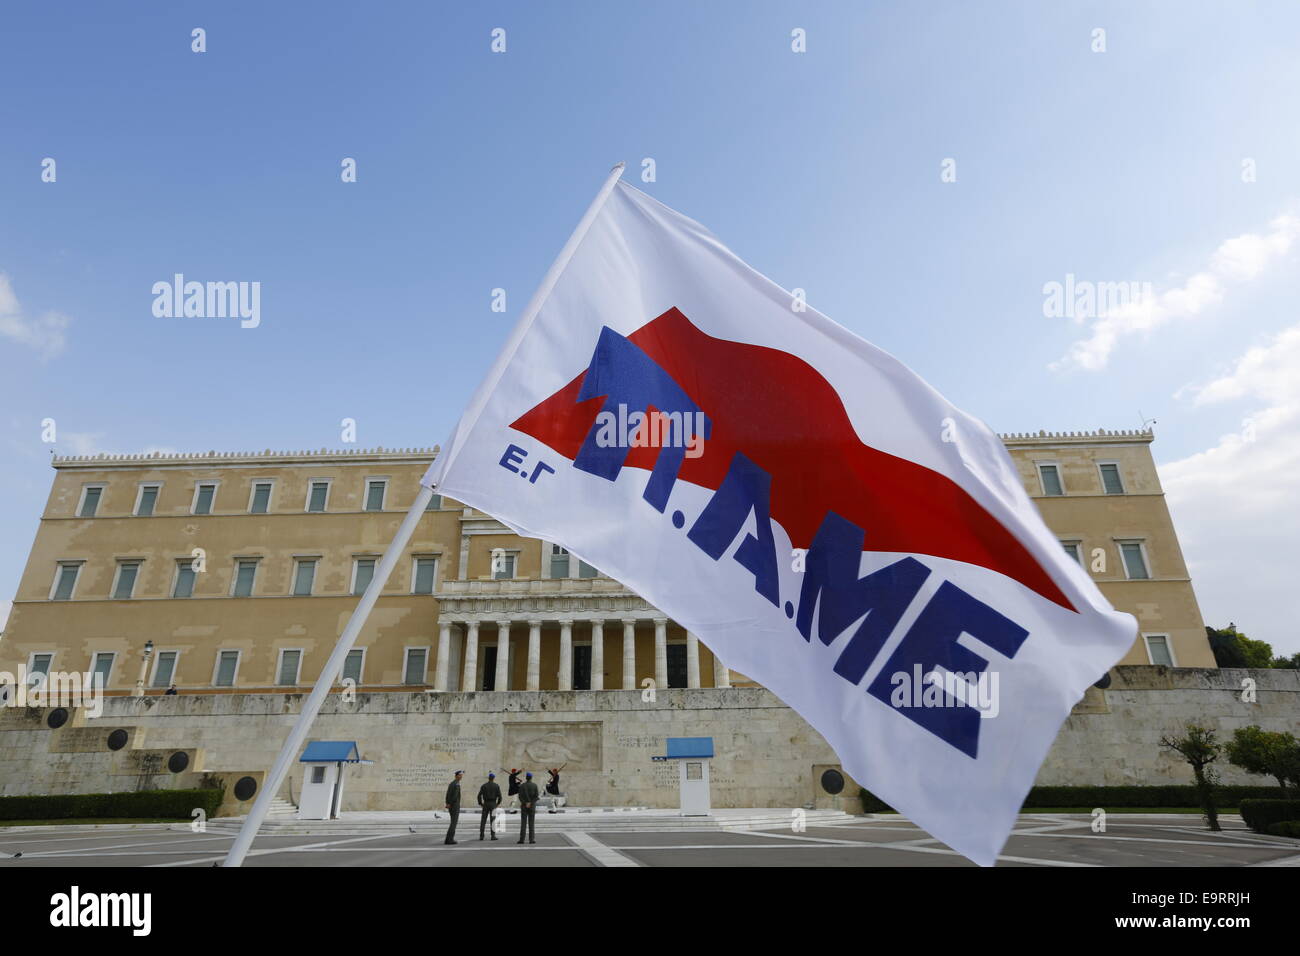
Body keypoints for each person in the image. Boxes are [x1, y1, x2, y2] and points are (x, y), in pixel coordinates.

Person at [477, 772, 502, 841]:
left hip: (485, 804)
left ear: (489, 778)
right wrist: (497, 804)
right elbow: (500, 796)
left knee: (483, 820)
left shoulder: (484, 786)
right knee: (493, 820)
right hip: (493, 803)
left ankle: (481, 836)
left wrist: (481, 803)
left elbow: (479, 796)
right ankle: (493, 836)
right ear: (493, 778)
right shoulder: (496, 786)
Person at [517, 771, 539, 844]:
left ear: (526, 778)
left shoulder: (522, 786)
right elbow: (536, 797)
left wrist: (525, 803)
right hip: (532, 806)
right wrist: (531, 803)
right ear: (531, 778)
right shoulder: (535, 786)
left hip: (524, 806)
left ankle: (522, 839)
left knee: (523, 823)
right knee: (531, 823)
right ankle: (531, 839)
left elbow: (520, 796)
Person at [444, 770, 463, 845]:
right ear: (456, 776)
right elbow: (455, 796)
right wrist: (450, 804)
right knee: (453, 823)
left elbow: (447, 794)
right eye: (460, 775)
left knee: (452, 822)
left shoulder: (452, 783)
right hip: (454, 805)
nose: (461, 777)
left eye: (461, 775)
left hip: (451, 805)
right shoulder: (456, 784)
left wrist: (447, 803)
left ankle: (448, 839)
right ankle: (449, 839)